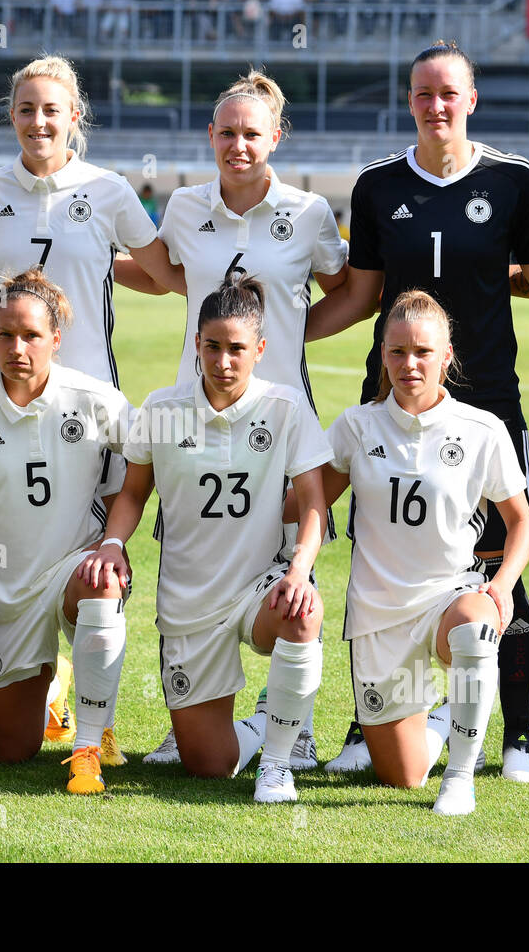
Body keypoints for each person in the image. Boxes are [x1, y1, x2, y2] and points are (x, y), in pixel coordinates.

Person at [306, 41, 529, 781]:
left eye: (449, 93)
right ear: (410, 100)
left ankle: (516, 739)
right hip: (389, 402)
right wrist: (277, 336)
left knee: (498, 572)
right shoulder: (376, 186)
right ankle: (368, 725)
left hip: (485, 402)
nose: (436, 105)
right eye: (423, 93)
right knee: (379, 561)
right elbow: (360, 296)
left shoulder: (514, 182)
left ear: (472, 99)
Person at [0, 54, 177, 763]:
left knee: (99, 557)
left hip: (91, 405)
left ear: (76, 117)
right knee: (1, 550)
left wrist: (102, 266)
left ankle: (94, 726)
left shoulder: (106, 190)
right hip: (3, 396)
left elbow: (163, 275)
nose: (38, 122)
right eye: (26, 110)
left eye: (52, 110)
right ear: (11, 117)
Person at [118, 70, 348, 770]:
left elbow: (347, 289)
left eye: (253, 134)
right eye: (227, 133)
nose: (239, 145)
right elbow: (164, 277)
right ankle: (191, 714)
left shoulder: (308, 212)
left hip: (279, 424)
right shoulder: (185, 207)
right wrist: (93, 262)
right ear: (209, 137)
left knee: (288, 570)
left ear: (276, 137)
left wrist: (284, 338)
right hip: (196, 419)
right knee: (188, 552)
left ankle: (294, 728)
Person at [83, 274, 330, 803]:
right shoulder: (162, 409)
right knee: (209, 766)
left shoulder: (285, 408)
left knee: (302, 612)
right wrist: (113, 543)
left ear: (260, 349)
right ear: (196, 344)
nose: (223, 361)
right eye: (212, 346)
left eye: (237, 349)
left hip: (259, 586)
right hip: (189, 603)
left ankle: (280, 766)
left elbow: (314, 502)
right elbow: (131, 494)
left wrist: (300, 571)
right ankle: (265, 724)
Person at [318, 294, 529, 816]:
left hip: (447, 598)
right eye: (397, 352)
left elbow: (522, 524)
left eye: (422, 351)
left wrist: (501, 587)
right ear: (383, 355)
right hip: (377, 616)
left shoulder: (482, 429)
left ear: (447, 355)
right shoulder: (355, 427)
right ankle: (447, 717)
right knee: (404, 776)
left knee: (476, 625)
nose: (409, 364)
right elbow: (305, 506)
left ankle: (461, 777)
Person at [0, 268, 131, 794]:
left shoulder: (94, 399)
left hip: (73, 569)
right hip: (6, 594)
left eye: (32, 335)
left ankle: (89, 744)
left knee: (102, 582)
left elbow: (149, 463)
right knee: (11, 752)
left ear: (55, 340)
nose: (18, 347)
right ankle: (50, 685)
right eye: (6, 335)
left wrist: (114, 541)